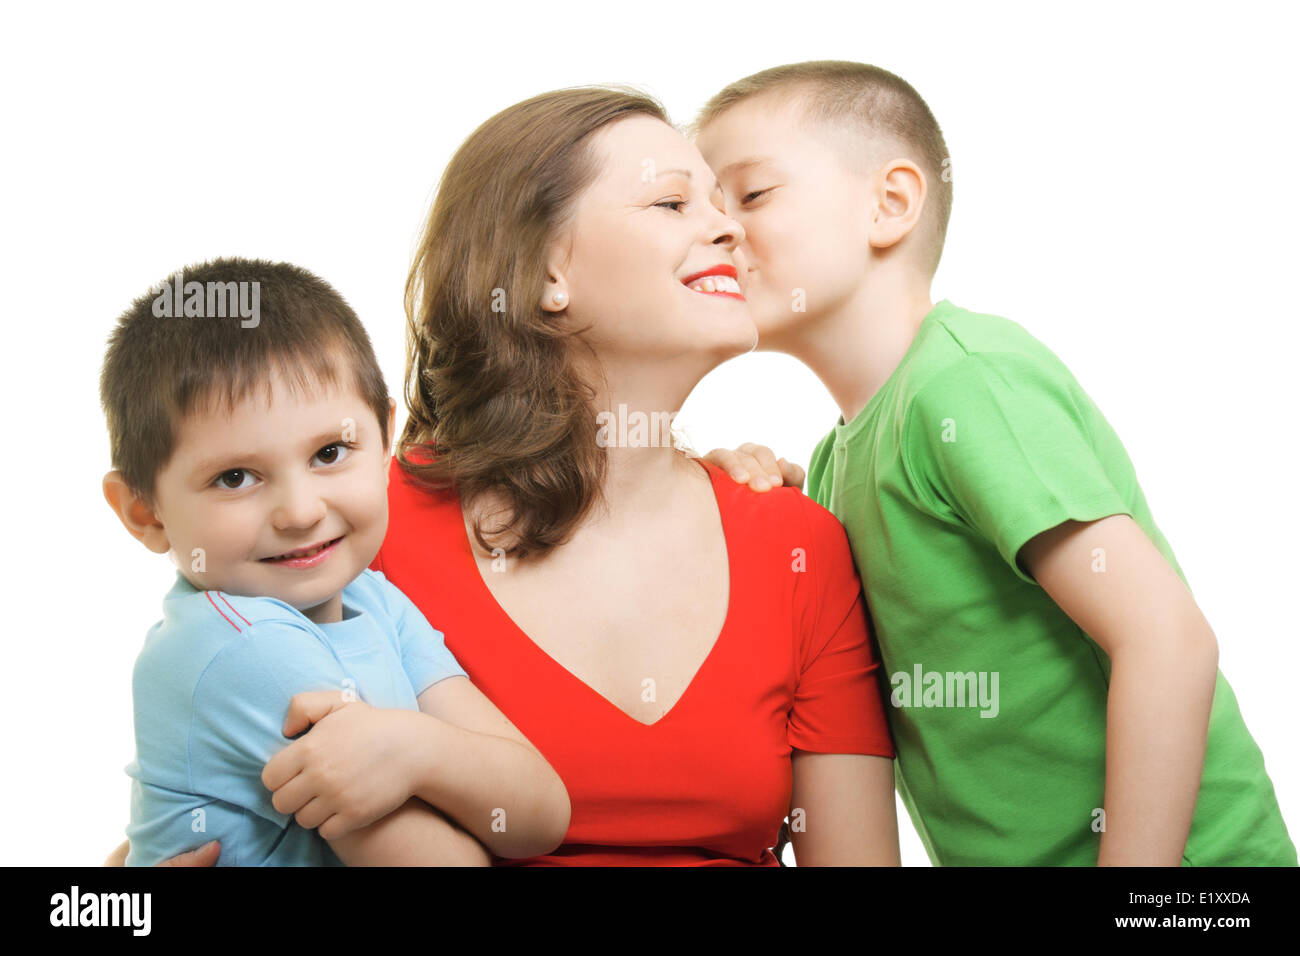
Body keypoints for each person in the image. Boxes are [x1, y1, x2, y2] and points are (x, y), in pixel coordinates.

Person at [106, 85, 900, 866]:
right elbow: (224, 802)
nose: (729, 228)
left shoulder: (797, 543)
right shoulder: (360, 523)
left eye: (728, 201)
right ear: (545, 270)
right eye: (672, 204)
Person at [694, 60, 1297, 865]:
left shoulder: (965, 380)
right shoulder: (836, 461)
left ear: (891, 204)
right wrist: (766, 512)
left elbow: (1168, 640)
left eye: (752, 194)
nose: (720, 229)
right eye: (704, 207)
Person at [100, 257, 569, 865]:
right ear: (146, 512)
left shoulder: (374, 599)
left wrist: (416, 751)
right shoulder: (242, 648)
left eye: (329, 452)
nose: (298, 511)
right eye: (235, 477)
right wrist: (445, 767)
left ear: (382, 445)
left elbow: (541, 813)